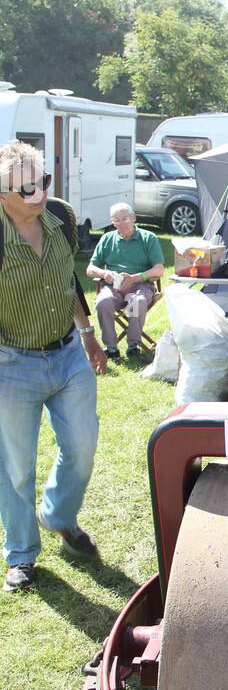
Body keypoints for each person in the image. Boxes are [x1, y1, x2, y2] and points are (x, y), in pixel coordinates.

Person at [0, 141, 107, 592]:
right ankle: (21, 555)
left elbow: (68, 279)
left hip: (67, 355)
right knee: (16, 467)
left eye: (42, 182)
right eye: (26, 189)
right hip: (12, 364)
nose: (39, 194)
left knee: (82, 447)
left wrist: (88, 335)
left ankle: (58, 515)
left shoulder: (60, 217)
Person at [86, 204, 165, 362]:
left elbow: (159, 269)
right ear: (112, 222)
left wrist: (135, 278)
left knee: (136, 302)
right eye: (116, 220)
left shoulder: (148, 238)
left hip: (139, 286)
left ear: (133, 217)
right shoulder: (107, 239)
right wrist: (104, 273)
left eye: (124, 219)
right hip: (114, 287)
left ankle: (132, 346)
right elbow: (90, 269)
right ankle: (111, 348)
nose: (121, 223)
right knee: (103, 302)